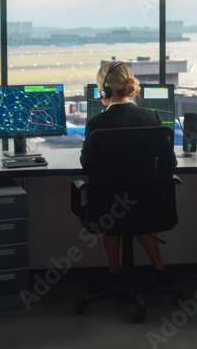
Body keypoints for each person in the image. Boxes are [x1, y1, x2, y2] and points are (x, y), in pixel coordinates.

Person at [80, 61, 176, 284]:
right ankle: (160, 268)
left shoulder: (96, 123)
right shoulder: (153, 118)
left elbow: (86, 164)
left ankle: (114, 273)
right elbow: (169, 165)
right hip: (149, 206)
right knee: (138, 200)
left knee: (109, 198)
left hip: (107, 210)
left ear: (105, 91)